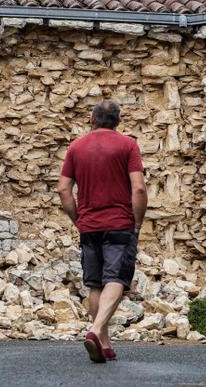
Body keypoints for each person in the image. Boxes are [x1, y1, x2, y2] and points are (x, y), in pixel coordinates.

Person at [57, 99, 147, 363]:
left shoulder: (76, 147)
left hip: (89, 226)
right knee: (116, 279)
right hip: (119, 223)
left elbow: (63, 189)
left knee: (95, 283)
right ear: (118, 122)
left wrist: (78, 219)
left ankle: (104, 344)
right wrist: (137, 221)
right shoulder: (128, 145)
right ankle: (96, 331)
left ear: (91, 119)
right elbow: (139, 188)